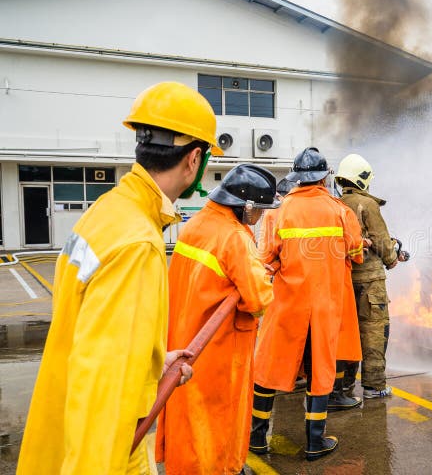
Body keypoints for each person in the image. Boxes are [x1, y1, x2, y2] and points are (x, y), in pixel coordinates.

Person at [17, 81, 221, 474]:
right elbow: (103, 394)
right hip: (104, 455)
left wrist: (152, 365)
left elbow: (91, 334)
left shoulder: (105, 211)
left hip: (62, 425)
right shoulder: (138, 245)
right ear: (194, 160)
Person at [155, 164, 278, 474]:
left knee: (187, 413)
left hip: (185, 336)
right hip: (219, 348)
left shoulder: (196, 224)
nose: (261, 216)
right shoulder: (234, 237)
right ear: (245, 206)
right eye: (259, 210)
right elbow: (259, 299)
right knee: (219, 418)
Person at [249, 147, 363, 461]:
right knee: (319, 370)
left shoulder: (277, 211)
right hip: (325, 308)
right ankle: (315, 442)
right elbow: (355, 251)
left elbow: (264, 259)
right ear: (325, 177)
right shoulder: (340, 211)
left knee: (268, 367)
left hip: (285, 305)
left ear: (297, 178)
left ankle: (257, 438)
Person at [336, 153, 408, 399]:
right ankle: (374, 387)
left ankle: (343, 387)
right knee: (374, 331)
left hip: (344, 279)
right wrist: (392, 258)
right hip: (370, 281)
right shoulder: (367, 204)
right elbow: (380, 239)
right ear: (363, 179)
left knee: (347, 334)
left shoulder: (335, 205)